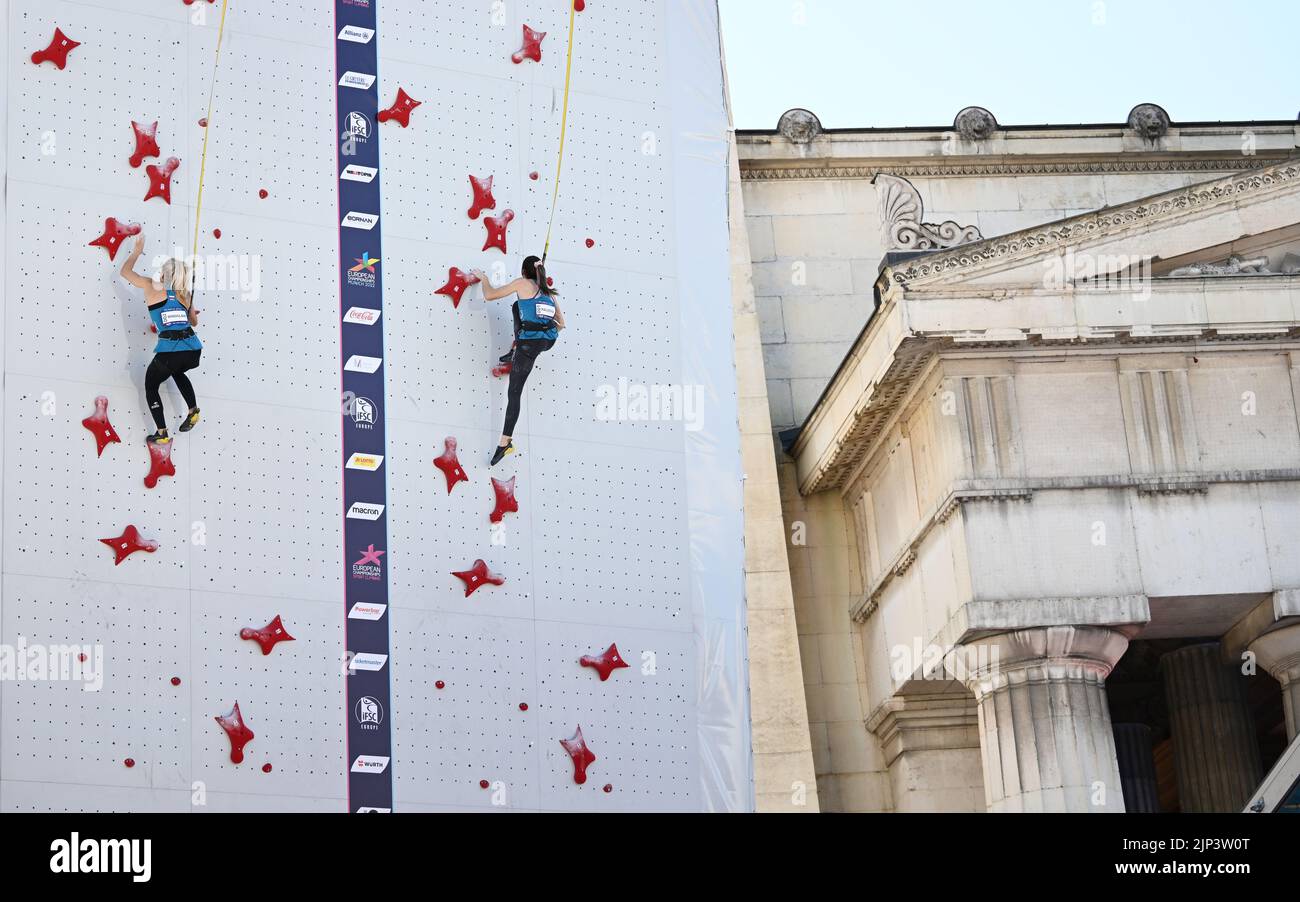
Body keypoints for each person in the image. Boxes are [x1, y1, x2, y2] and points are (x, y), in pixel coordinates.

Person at [473, 255, 565, 466]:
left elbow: (490, 295)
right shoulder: (548, 292)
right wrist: (543, 333)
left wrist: (484, 277)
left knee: (514, 393)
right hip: (548, 340)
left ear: (524, 272)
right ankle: (517, 348)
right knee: (517, 307)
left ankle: (505, 442)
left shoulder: (522, 283)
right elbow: (561, 323)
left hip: (529, 345)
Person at [119, 236, 202, 444]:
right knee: (177, 371)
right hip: (192, 350)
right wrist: (191, 311)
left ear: (166, 273)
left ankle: (162, 432)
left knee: (151, 385)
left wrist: (137, 251)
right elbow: (193, 322)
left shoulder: (152, 285)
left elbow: (125, 273)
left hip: (171, 350)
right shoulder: (185, 294)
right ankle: (193, 409)